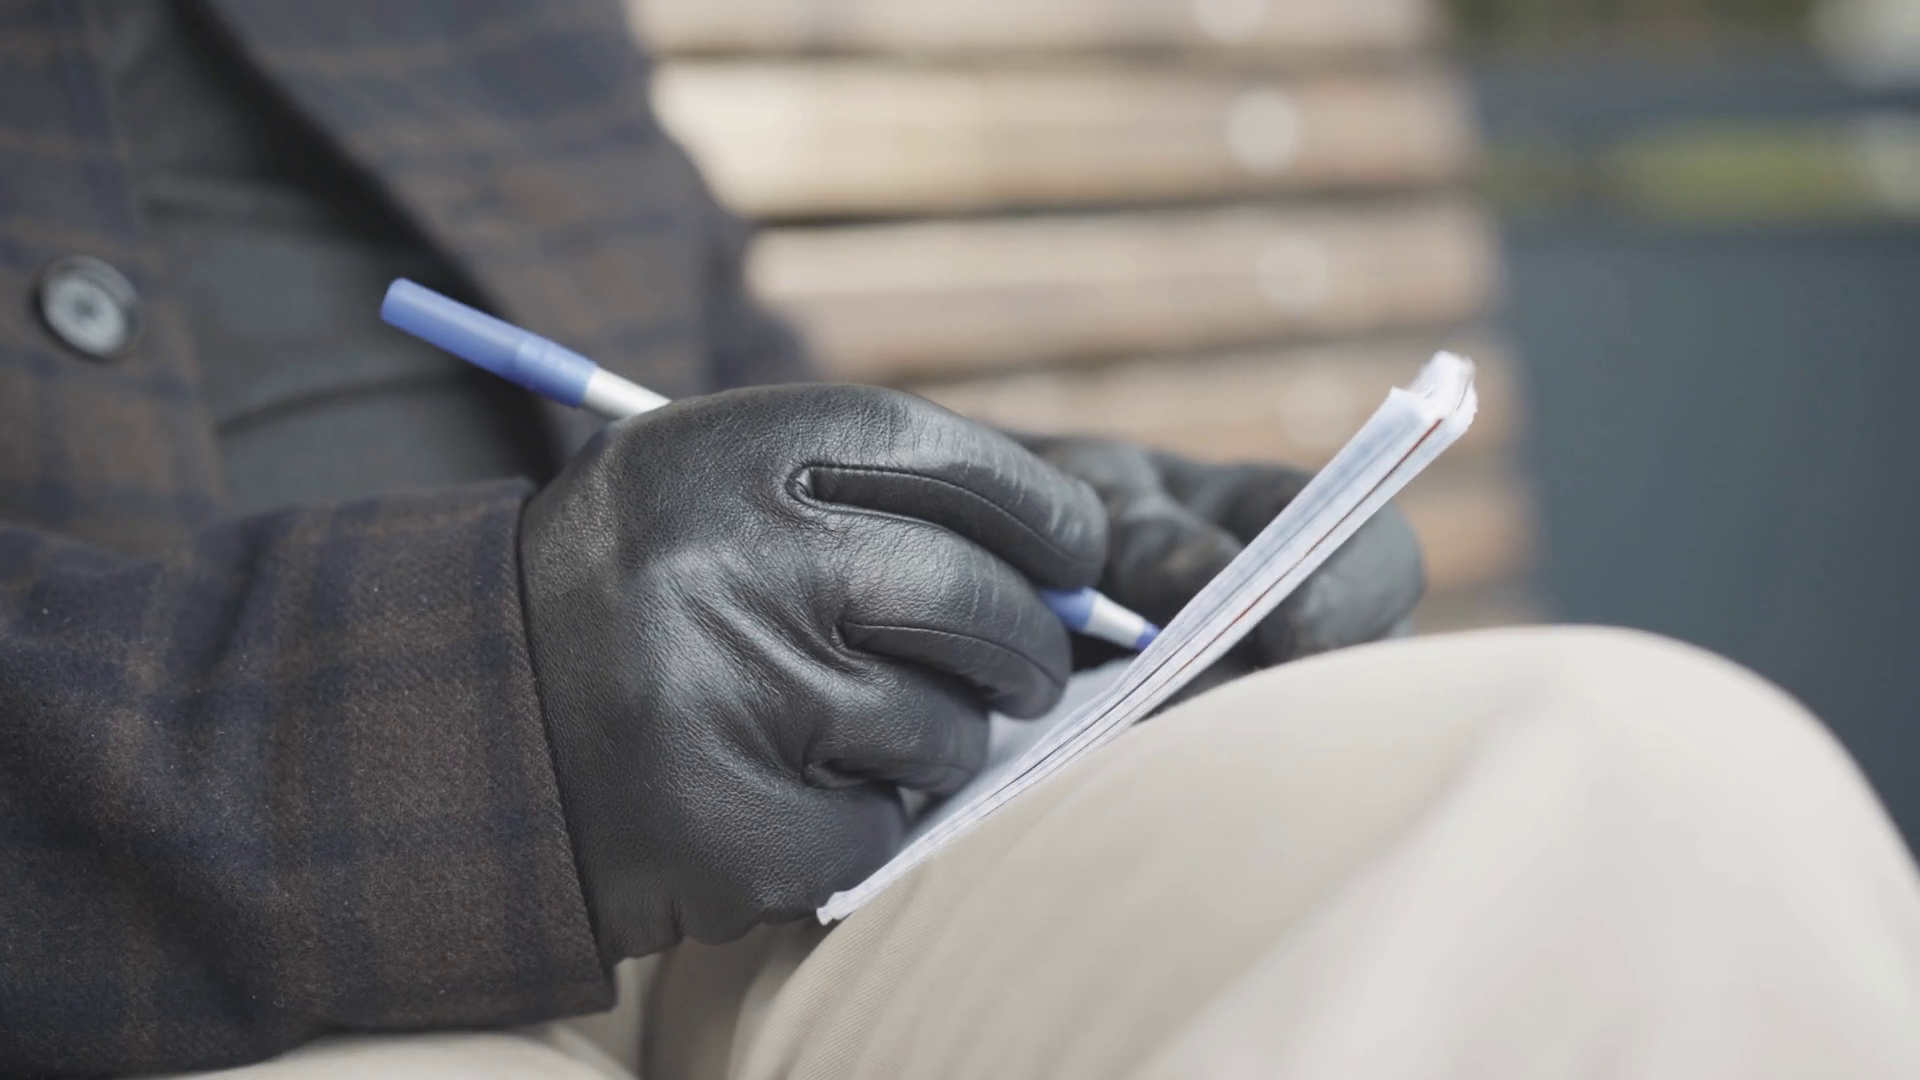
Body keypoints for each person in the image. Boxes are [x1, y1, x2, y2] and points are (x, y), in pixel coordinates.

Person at [1, 3, 1915, 1079]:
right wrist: (460, 716)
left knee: (1615, 787)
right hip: (152, 987)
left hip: (754, 894)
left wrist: (1019, 550)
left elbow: (704, 385)